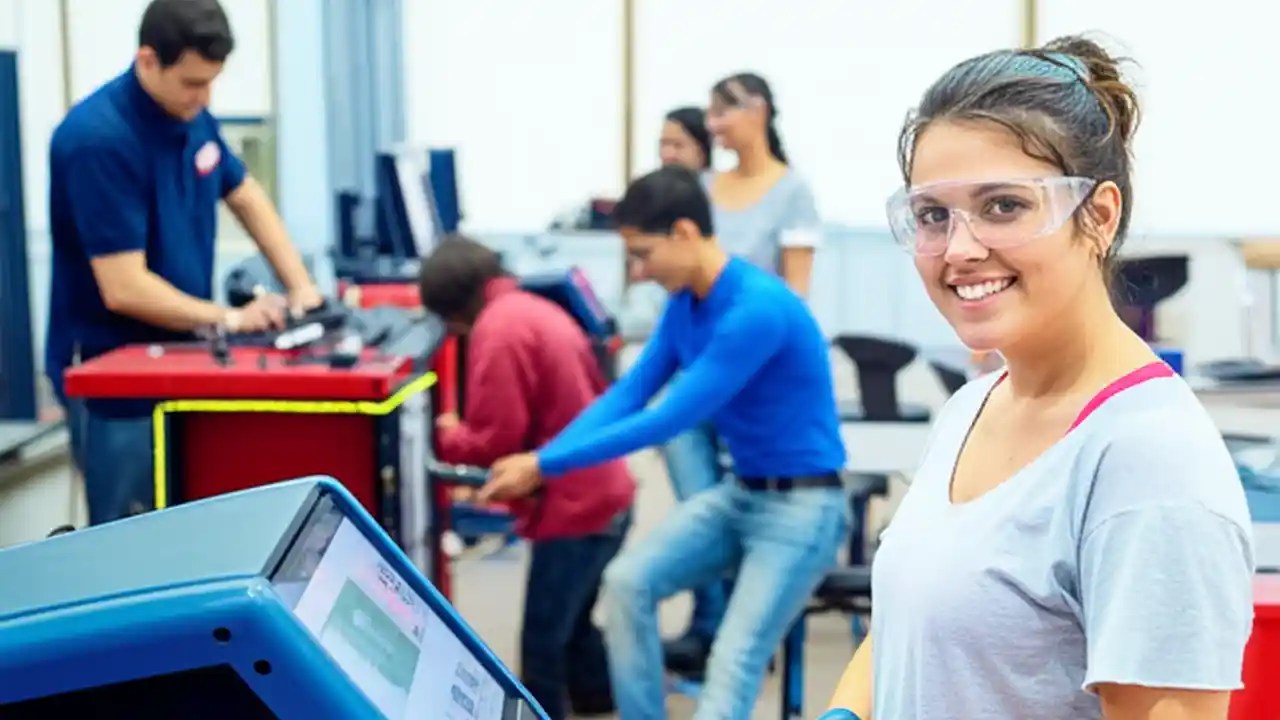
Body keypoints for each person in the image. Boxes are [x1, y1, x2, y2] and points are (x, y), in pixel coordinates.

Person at [826, 36, 1254, 719]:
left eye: (1004, 206)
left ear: (1100, 215)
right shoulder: (973, 406)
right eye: (933, 215)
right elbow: (912, 625)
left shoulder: (1146, 462)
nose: (960, 249)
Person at [479, 166, 850, 720]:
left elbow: (667, 418)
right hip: (742, 494)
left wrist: (543, 464)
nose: (640, 271)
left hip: (805, 509)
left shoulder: (757, 309)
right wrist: (542, 459)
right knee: (628, 583)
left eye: (643, 254)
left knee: (734, 653)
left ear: (683, 232)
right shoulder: (685, 306)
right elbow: (627, 396)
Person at [45, 0, 321, 525]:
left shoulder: (190, 114)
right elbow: (123, 286)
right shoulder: (97, 140)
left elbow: (244, 193)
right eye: (193, 83)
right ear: (148, 60)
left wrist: (302, 288)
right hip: (112, 378)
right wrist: (231, 318)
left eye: (212, 82)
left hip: (179, 358)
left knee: (188, 523)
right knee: (130, 538)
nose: (205, 97)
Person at [419, 236, 635, 720]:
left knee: (543, 639)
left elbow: (496, 438)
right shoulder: (529, 307)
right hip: (608, 491)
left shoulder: (499, 331)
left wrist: (445, 434)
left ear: (453, 309)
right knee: (575, 622)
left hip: (576, 505)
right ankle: (599, 703)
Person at [660, 71, 827, 675]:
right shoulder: (703, 188)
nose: (711, 126)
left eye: (719, 114)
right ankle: (711, 626)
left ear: (755, 111)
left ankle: (737, 634)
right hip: (696, 376)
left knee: (748, 504)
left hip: (753, 381)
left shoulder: (793, 192)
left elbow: (795, 297)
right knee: (700, 510)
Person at [659, 106, 712, 171]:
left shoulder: (719, 180)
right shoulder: (649, 180)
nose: (667, 154)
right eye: (663, 144)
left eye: (678, 145)